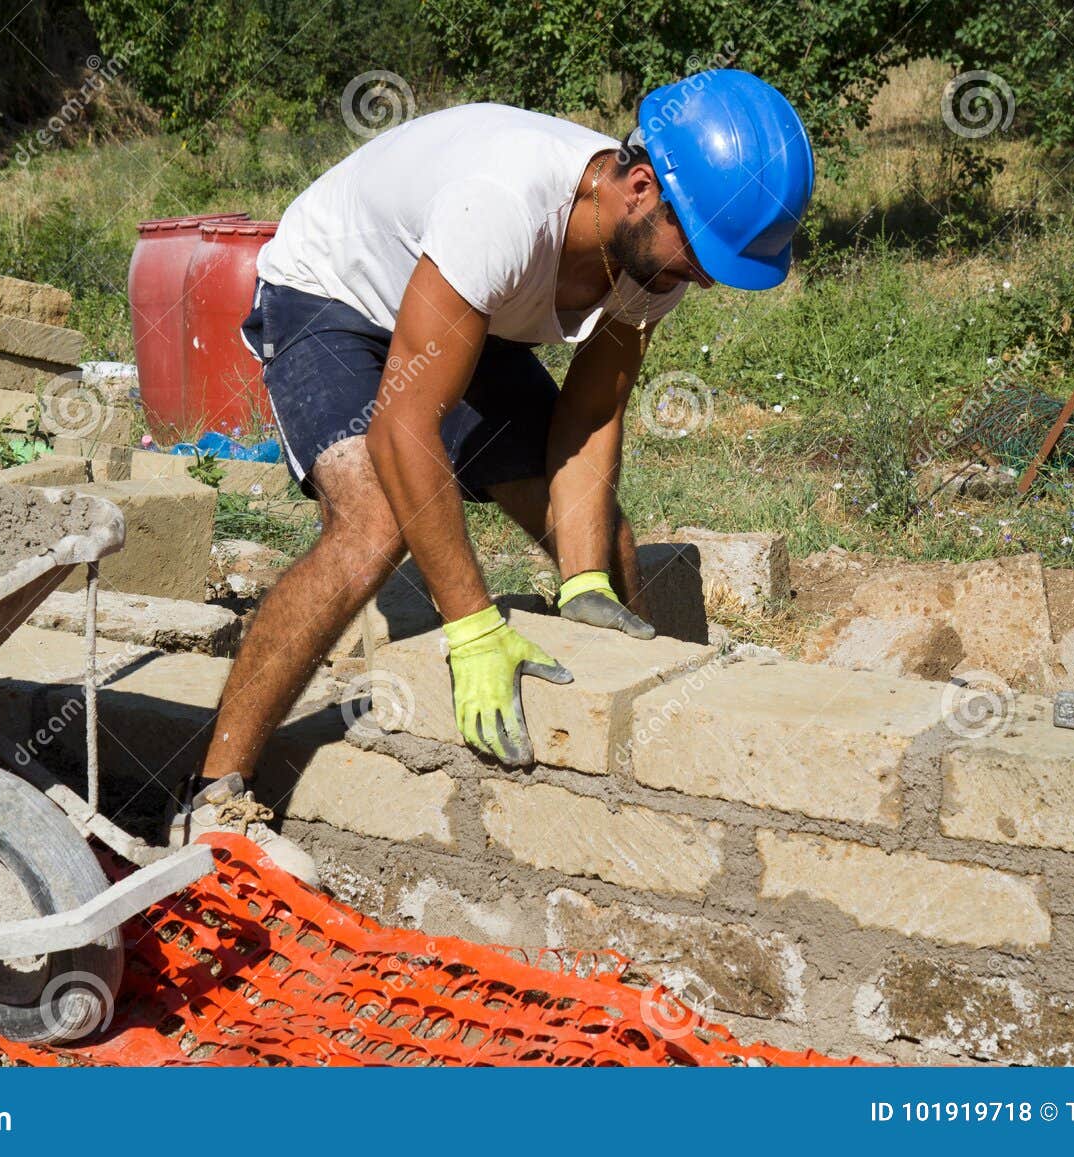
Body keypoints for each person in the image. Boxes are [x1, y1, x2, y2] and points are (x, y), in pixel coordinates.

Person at [173, 70, 815, 878]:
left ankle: (640, 792)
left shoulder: (652, 258)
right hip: (336, 297)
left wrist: (583, 583)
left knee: (605, 549)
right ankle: (214, 798)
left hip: (464, 312)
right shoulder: (505, 204)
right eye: (697, 257)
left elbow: (587, 422)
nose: (697, 281)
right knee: (375, 525)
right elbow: (406, 425)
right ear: (641, 187)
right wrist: (472, 623)